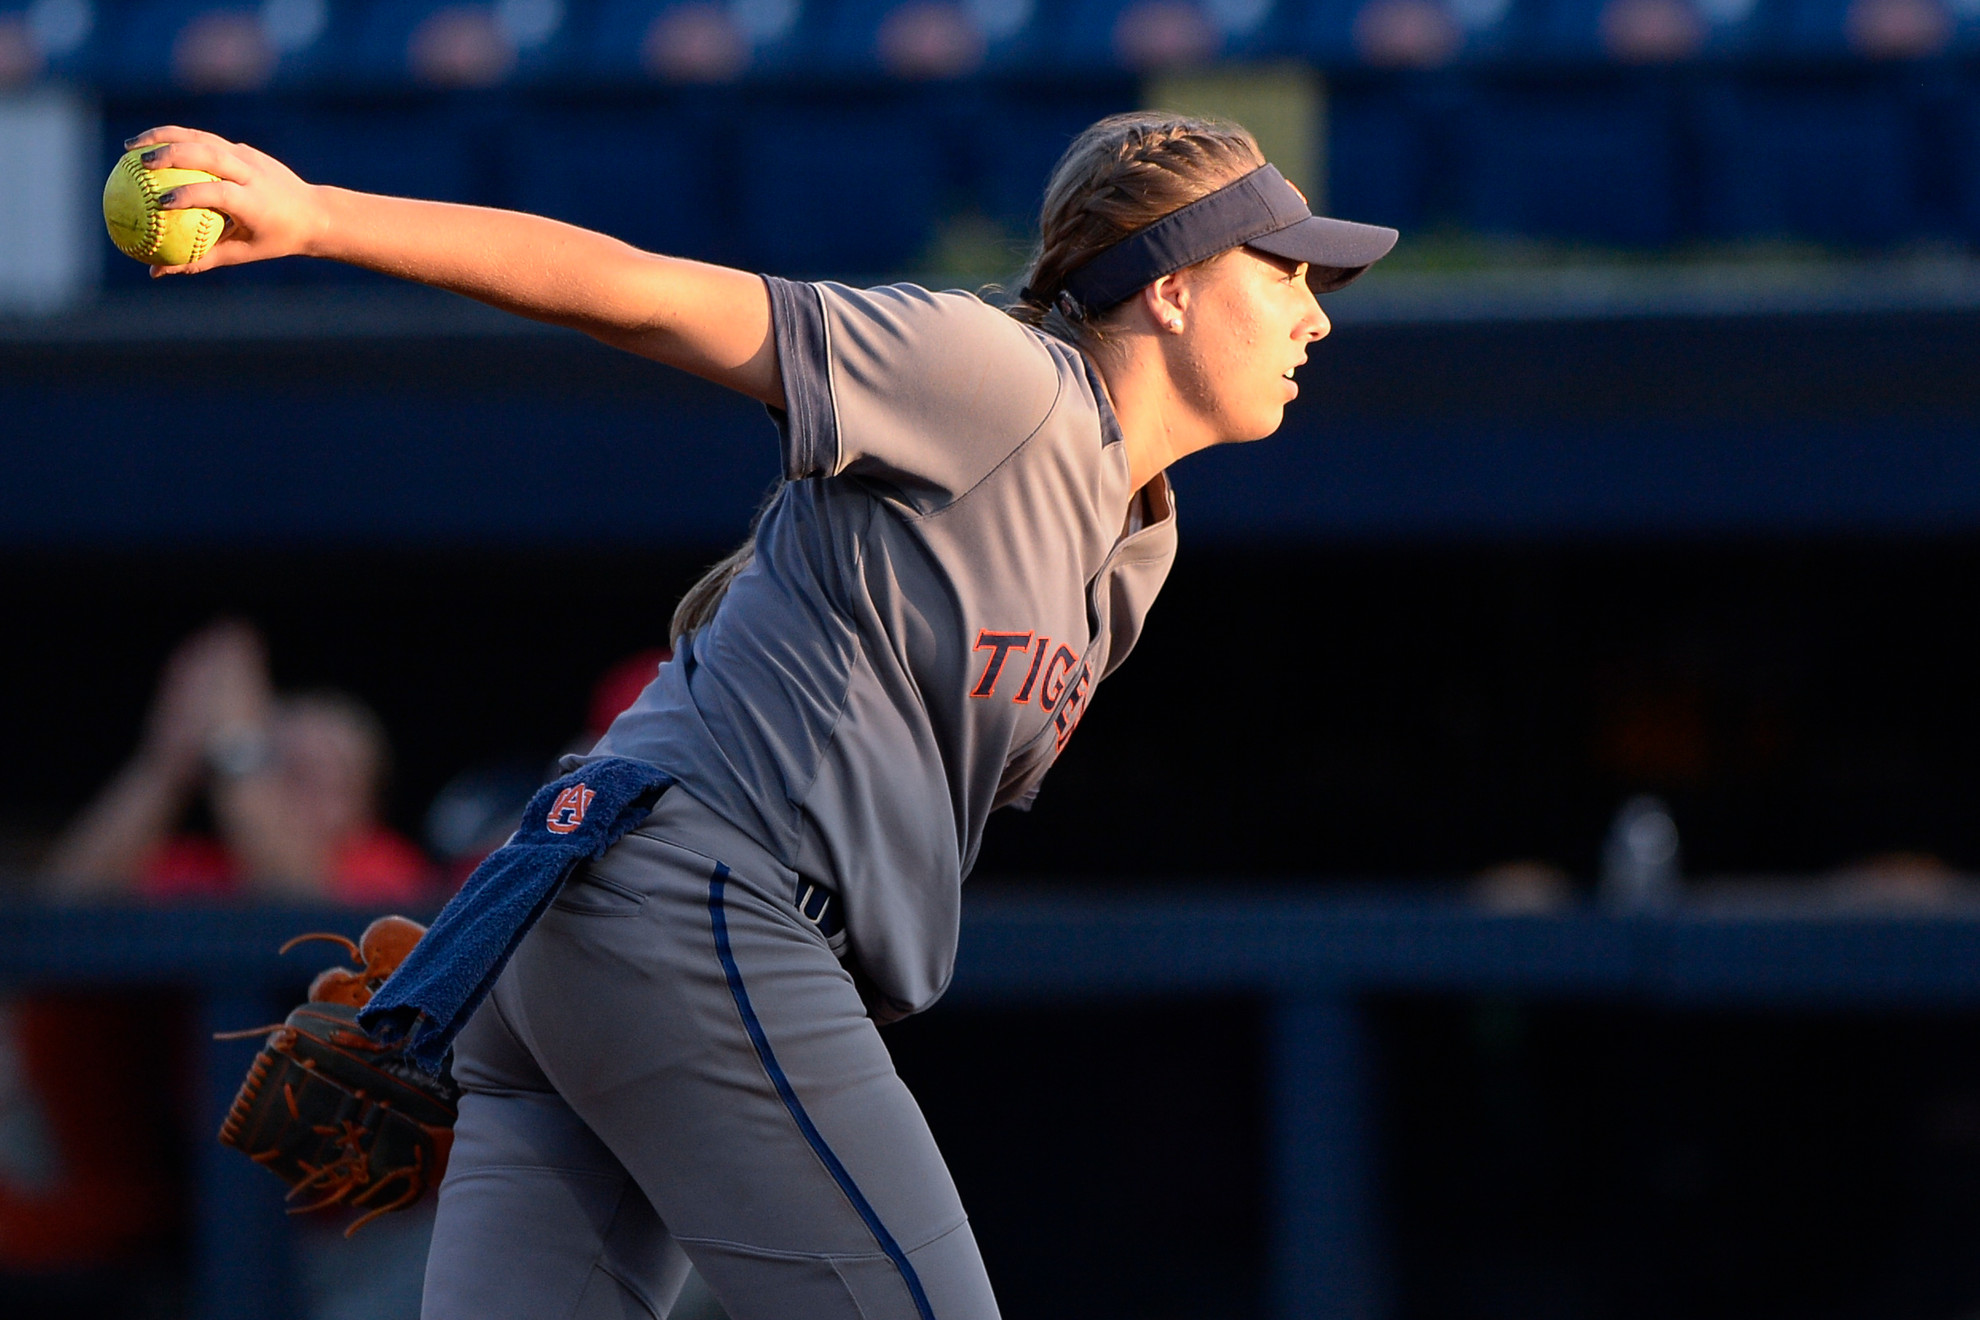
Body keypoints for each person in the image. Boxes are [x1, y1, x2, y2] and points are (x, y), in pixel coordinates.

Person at [123, 110, 1397, 1319]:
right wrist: (321, 213)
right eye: (1285, 273)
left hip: (600, 930)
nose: (1313, 317)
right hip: (694, 906)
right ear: (1171, 286)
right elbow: (644, 290)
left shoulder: (1136, 546)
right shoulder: (1002, 379)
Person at [42, 619, 431, 906]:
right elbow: (61, 909)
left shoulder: (385, 866)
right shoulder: (205, 865)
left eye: (321, 776)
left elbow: (302, 906)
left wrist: (236, 746)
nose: (293, 791)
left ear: (367, 805)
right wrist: (165, 767)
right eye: (284, 769)